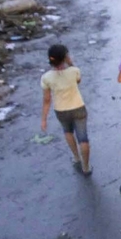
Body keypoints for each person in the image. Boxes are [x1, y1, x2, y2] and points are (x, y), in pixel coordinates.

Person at [41, 44, 91, 175]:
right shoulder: (74, 71)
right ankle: (86, 167)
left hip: (61, 110)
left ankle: (76, 157)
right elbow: (78, 81)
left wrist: (44, 119)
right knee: (83, 138)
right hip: (78, 107)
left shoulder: (46, 78)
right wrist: (71, 63)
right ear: (65, 57)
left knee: (68, 132)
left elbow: (47, 100)